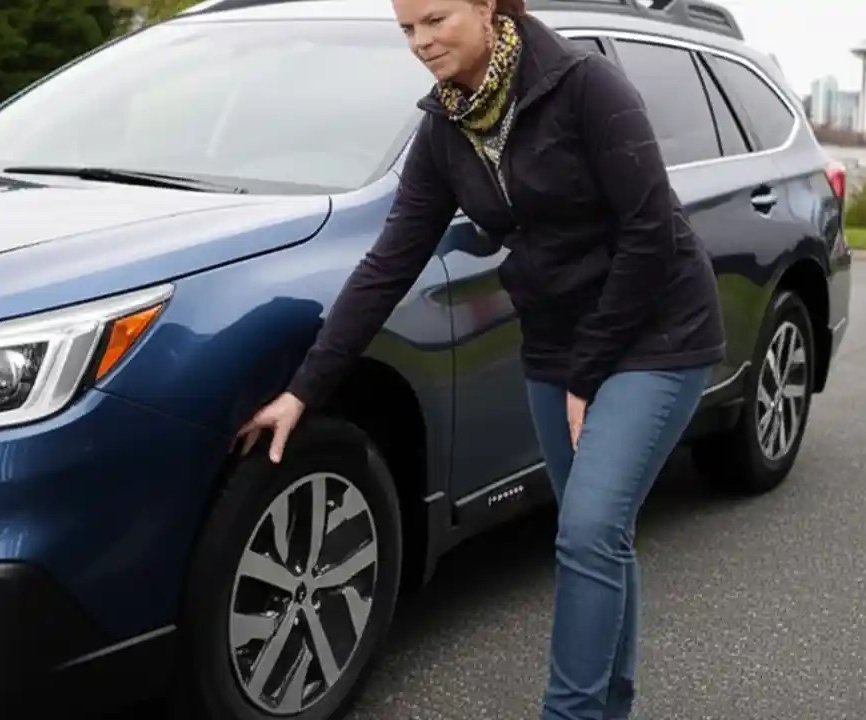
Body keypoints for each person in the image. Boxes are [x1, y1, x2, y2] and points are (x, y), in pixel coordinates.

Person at [236, 0, 727, 718]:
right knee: (598, 533)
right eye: (406, 29)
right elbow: (389, 263)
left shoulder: (587, 87)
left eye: (434, 19)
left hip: (657, 328)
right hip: (557, 341)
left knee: (589, 529)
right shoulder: (446, 127)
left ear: (488, 6)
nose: (421, 42)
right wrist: (305, 390)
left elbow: (651, 234)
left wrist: (589, 373)